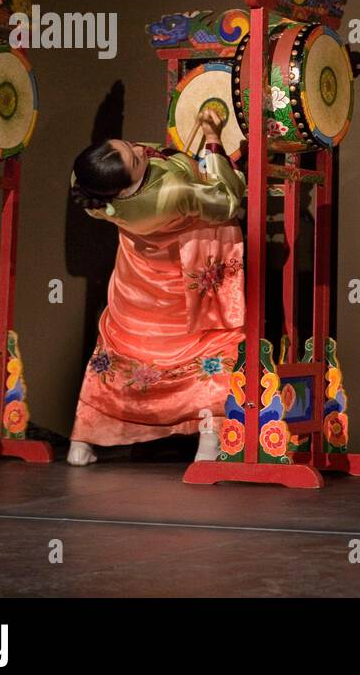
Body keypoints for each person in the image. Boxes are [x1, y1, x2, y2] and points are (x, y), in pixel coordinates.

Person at [65, 109, 245, 466]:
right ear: (126, 186)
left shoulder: (87, 185)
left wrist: (166, 156)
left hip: (140, 282)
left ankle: (83, 440)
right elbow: (228, 200)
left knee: (124, 352)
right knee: (212, 345)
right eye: (133, 158)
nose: (139, 148)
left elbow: (151, 153)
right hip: (182, 282)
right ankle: (209, 441)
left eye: (127, 145)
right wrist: (213, 138)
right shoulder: (171, 194)